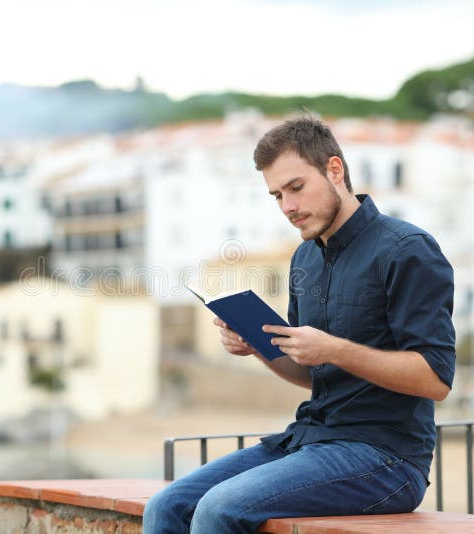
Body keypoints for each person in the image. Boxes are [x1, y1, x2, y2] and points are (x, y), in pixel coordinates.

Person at [143, 116, 456, 533]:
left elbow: (436, 379)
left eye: (295, 188)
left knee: (218, 509)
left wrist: (333, 349)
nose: (287, 207)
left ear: (334, 170)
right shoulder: (304, 258)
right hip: (308, 441)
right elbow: (313, 375)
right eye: (276, 196)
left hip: (387, 457)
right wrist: (258, 345)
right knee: (166, 506)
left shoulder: (407, 251)